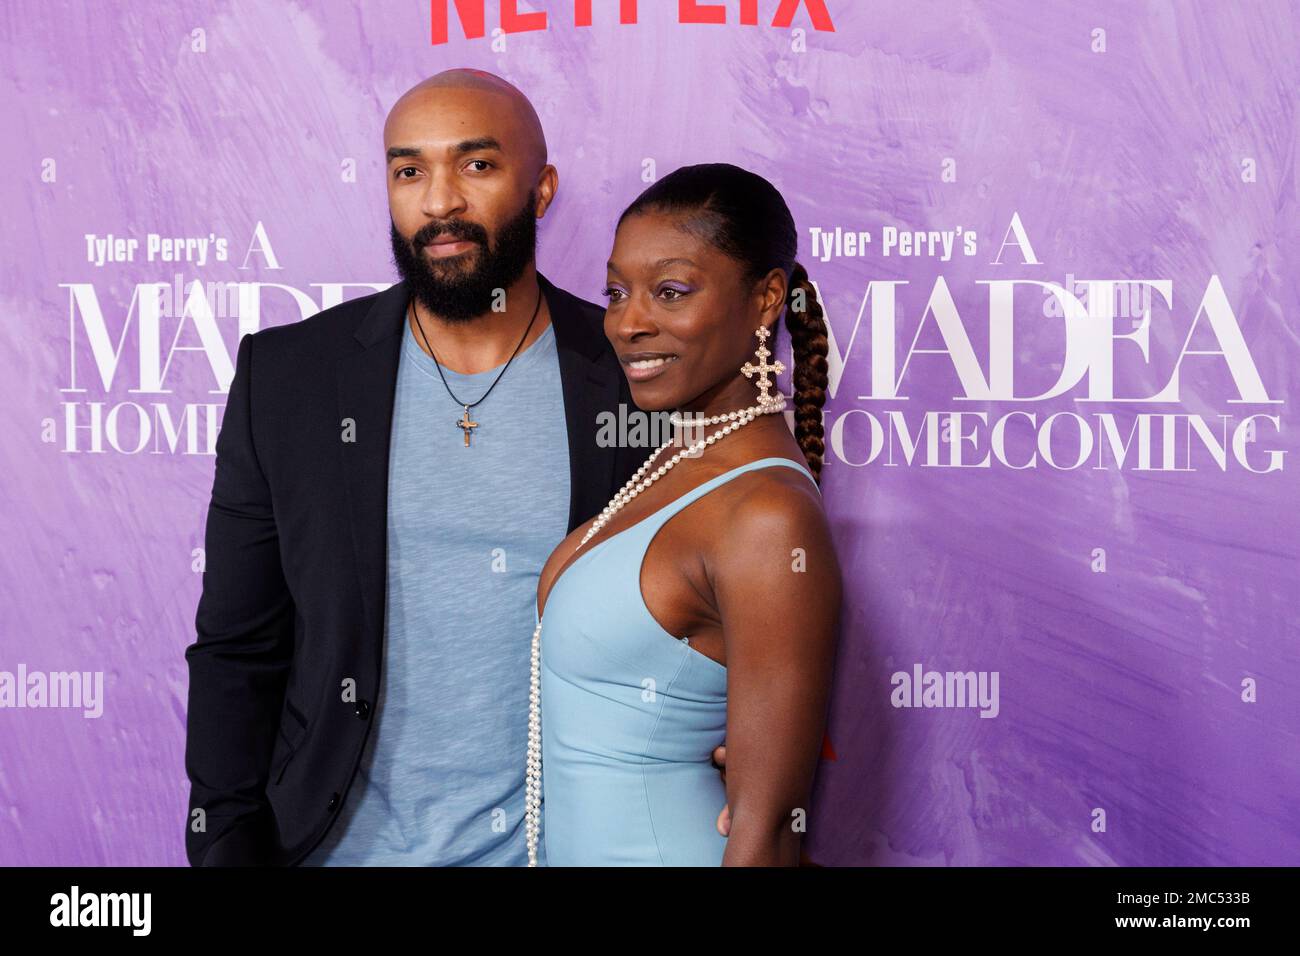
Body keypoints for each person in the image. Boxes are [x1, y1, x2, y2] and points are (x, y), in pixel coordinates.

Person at [182, 68, 729, 866]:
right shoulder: (291, 378)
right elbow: (238, 646)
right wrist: (226, 844)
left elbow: (723, 607)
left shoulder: (636, 376)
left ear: (540, 190)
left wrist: (737, 747)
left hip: (567, 848)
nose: (439, 202)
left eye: (476, 165)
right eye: (410, 171)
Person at [530, 163, 844, 866]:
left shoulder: (767, 516)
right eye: (616, 292)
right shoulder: (676, 465)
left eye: (670, 292)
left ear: (766, 299)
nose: (629, 323)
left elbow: (766, 838)